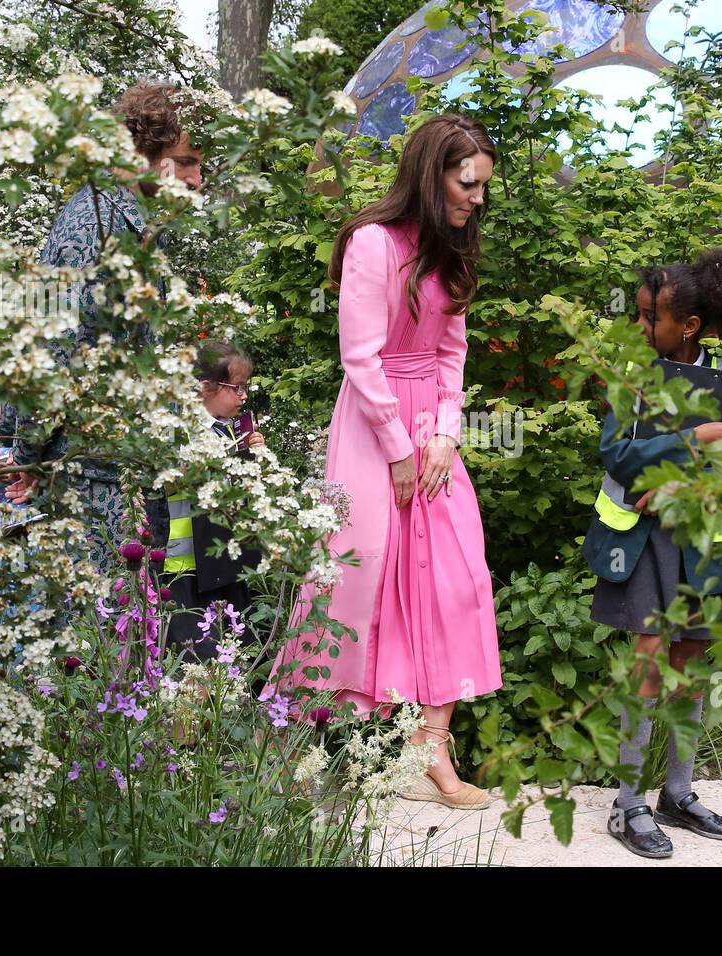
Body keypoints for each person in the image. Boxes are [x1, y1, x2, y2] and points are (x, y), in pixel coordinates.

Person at [273, 114, 502, 810]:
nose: (477, 199)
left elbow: (450, 353)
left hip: (428, 426)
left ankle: (431, 750)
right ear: (432, 174)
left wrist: (442, 435)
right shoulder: (373, 242)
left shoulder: (453, 252)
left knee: (453, 581)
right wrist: (399, 447)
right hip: (373, 426)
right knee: (354, 575)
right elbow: (359, 357)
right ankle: (292, 746)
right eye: (468, 184)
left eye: (485, 187)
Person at [584, 249, 722, 859]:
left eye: (649, 318)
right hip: (644, 543)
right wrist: (694, 439)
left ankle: (678, 793)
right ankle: (628, 802)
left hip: (706, 542)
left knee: (692, 659)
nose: (641, 329)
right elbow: (617, 456)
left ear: (686, 326)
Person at [3, 80, 203, 575]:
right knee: (94, 629)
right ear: (146, 155)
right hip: (90, 475)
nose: (198, 180)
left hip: (120, 468)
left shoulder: (128, 225)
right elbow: (50, 350)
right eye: (188, 162)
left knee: (129, 628)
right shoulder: (93, 229)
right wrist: (27, 454)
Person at [162, 340, 266, 661]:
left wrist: (251, 458)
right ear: (206, 388)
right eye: (236, 388)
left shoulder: (228, 431)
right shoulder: (179, 430)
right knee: (194, 654)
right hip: (184, 564)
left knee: (241, 646)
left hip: (222, 560)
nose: (244, 396)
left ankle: (247, 703)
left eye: (246, 387)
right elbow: (162, 482)